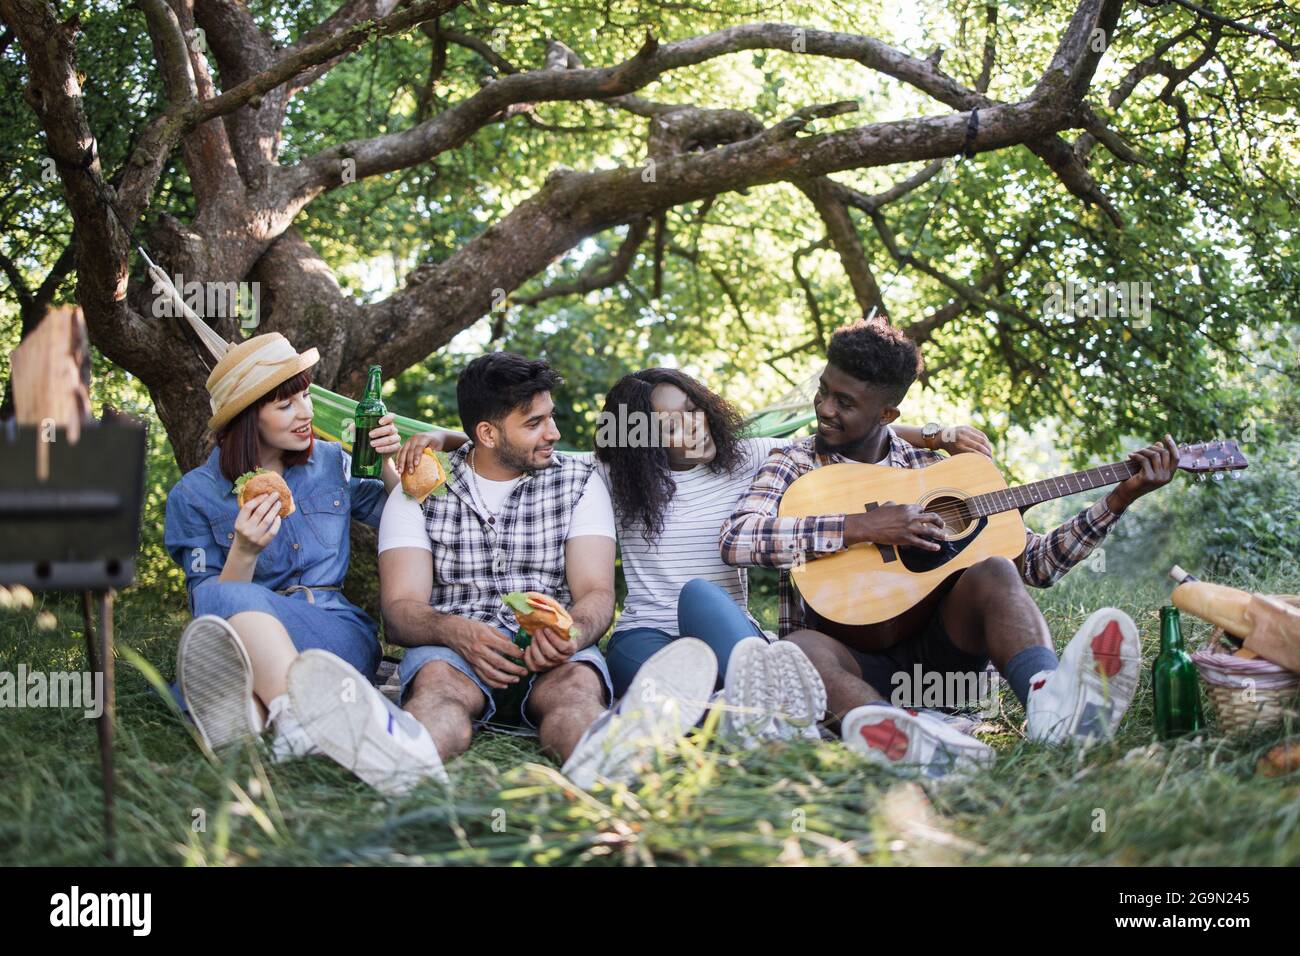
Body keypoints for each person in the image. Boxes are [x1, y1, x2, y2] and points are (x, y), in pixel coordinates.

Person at [720, 318, 1179, 778]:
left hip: (946, 671)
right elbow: (737, 538)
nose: (824, 408)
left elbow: (1037, 565)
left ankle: (1050, 704)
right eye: (823, 391)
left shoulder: (940, 472)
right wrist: (860, 526)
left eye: (845, 402)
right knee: (797, 651)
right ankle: (918, 741)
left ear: (887, 416)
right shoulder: (795, 461)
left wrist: (1120, 498)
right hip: (850, 665)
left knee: (997, 570)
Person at [369, 352, 717, 791]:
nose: (553, 432)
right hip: (451, 653)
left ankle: (611, 762)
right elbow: (399, 611)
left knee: (575, 695)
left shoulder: (579, 482)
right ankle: (397, 763)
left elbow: (595, 592)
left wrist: (571, 635)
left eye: (549, 417)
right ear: (487, 433)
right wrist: (457, 632)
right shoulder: (419, 490)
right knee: (438, 694)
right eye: (534, 423)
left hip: (553, 653)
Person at [593, 367, 991, 745]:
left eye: (693, 410)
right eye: (671, 424)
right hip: (648, 633)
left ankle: (769, 714)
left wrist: (935, 436)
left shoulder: (747, 457)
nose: (694, 427)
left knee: (698, 594)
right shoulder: (613, 476)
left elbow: (850, 435)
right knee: (656, 686)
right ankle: (773, 721)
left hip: (724, 630)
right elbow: (542, 459)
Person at [163, 332, 458, 793]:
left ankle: (291, 721)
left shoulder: (330, 463)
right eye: (286, 405)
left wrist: (386, 461)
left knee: (217, 599)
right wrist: (244, 552)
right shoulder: (194, 496)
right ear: (246, 417)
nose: (307, 413)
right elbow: (211, 613)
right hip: (246, 633)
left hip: (333, 628)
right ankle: (275, 730)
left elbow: (405, 521)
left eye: (305, 396)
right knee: (216, 600)